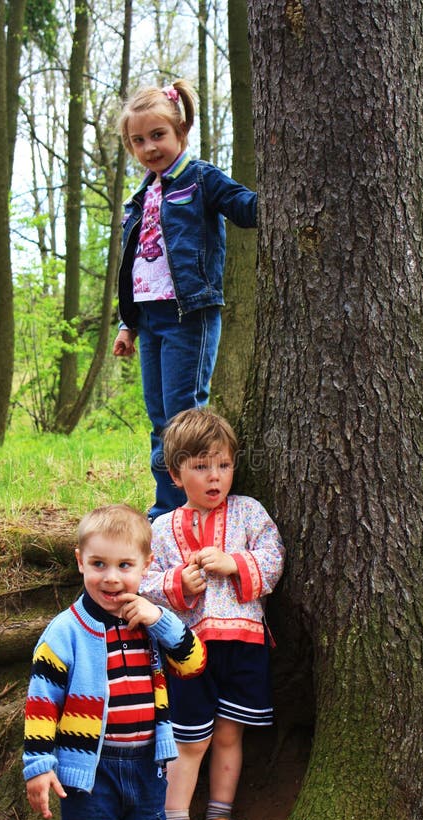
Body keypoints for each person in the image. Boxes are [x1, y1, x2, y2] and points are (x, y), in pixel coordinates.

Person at [23, 504, 206, 820]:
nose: (111, 577)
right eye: (98, 564)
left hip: (148, 769)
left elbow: (193, 663)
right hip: (91, 776)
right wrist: (38, 765)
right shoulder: (66, 632)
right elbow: (42, 702)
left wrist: (159, 618)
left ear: (146, 565)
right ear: (80, 562)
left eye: (125, 565)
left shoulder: (151, 623)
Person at [139, 407, 285, 820]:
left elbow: (274, 557)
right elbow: (142, 583)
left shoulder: (249, 512)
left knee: (228, 734)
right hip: (188, 653)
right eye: (201, 466)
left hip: (244, 645)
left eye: (223, 464)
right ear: (175, 473)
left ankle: (220, 816)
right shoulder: (162, 529)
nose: (215, 476)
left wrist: (235, 564)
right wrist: (178, 583)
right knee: (190, 739)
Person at [112, 79, 257, 521]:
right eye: (138, 140)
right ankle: (166, 513)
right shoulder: (140, 196)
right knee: (160, 420)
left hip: (188, 313)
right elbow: (134, 266)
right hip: (149, 318)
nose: (149, 147)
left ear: (181, 131)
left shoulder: (200, 178)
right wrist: (127, 324)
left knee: (182, 416)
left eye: (158, 135)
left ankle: (191, 509)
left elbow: (244, 206)